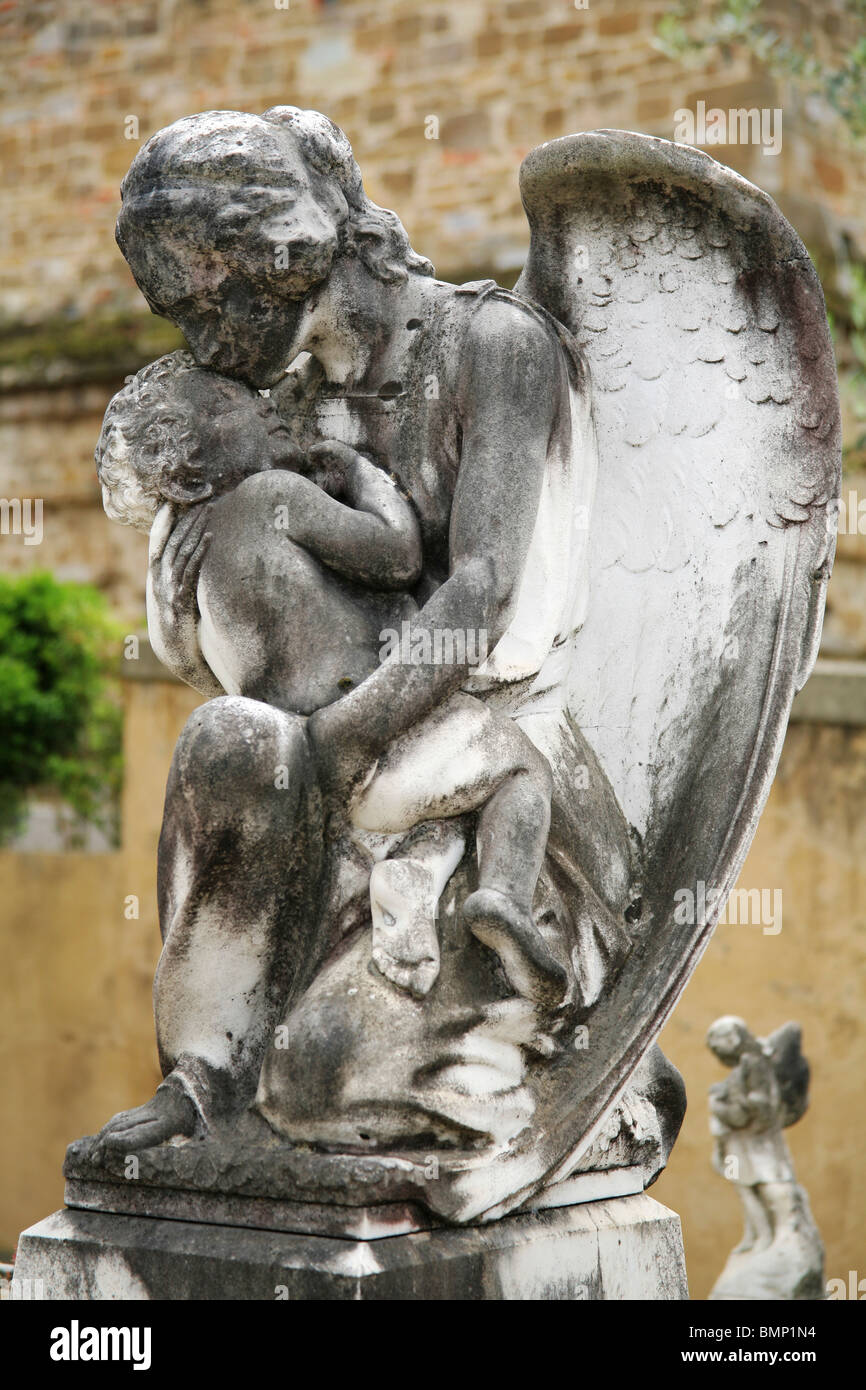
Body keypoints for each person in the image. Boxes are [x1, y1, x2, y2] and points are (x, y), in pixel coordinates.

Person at [97, 352, 567, 1006]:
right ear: (192, 453)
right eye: (238, 404)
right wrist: (362, 475)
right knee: (518, 769)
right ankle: (504, 896)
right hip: (382, 726)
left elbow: (189, 663)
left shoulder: (183, 568)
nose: (268, 403)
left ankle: (412, 878)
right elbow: (397, 554)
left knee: (435, 815)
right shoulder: (273, 497)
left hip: (304, 768)